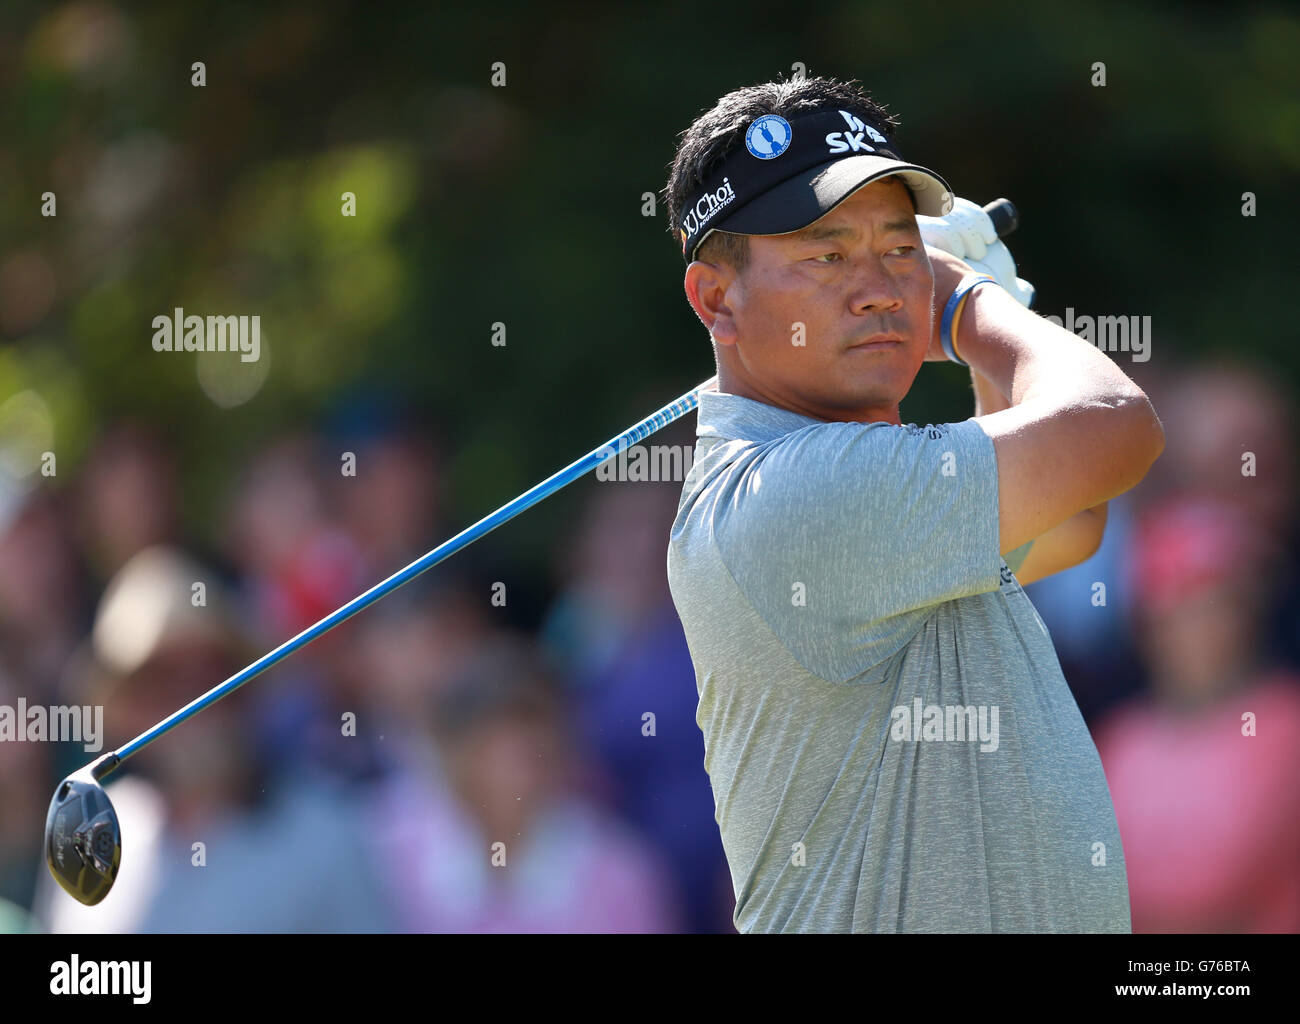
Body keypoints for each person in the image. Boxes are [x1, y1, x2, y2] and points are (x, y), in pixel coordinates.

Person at [662, 77, 1164, 933]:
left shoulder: (862, 488)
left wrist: (977, 327)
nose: (880, 289)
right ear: (717, 300)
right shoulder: (795, 496)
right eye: (826, 256)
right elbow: (1115, 430)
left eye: (898, 249)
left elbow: (1071, 521)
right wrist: (973, 303)